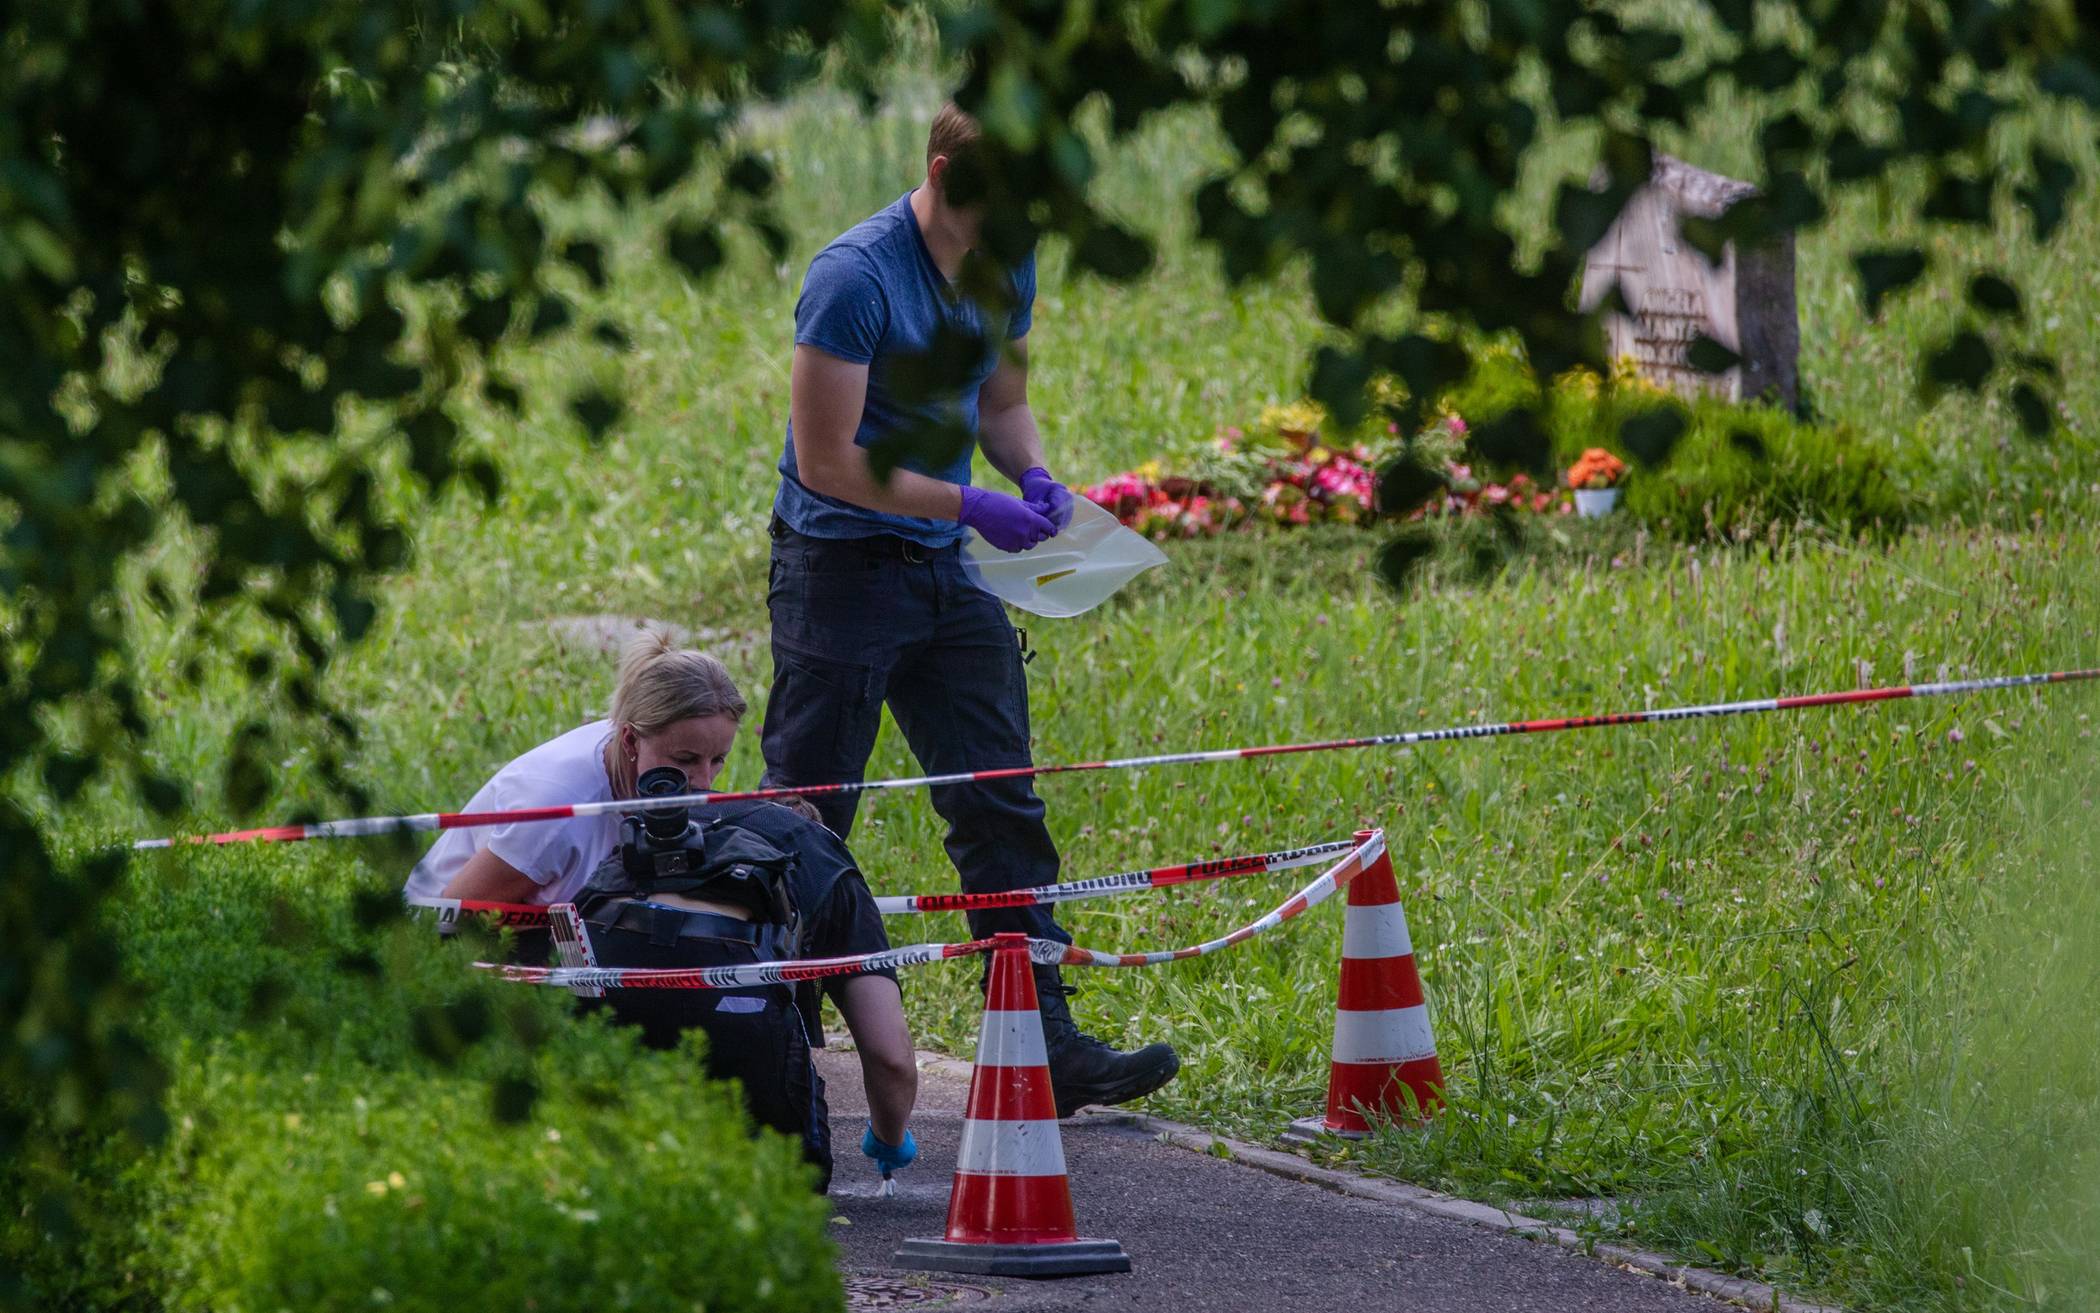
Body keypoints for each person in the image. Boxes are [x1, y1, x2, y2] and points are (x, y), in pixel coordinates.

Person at [763, 101, 1178, 1118]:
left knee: (1000, 798)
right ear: (945, 175)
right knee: (811, 810)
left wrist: (1031, 475)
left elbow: (999, 404)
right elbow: (829, 460)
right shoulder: (854, 276)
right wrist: (970, 500)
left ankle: (1044, 1041)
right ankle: (779, 1049)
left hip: (947, 566)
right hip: (838, 565)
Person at [403, 630, 917, 1185]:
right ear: (629, 741)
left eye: (718, 761)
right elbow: (448, 918)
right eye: (685, 760)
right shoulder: (556, 807)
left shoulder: (653, 777)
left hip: (566, 936)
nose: (702, 783)